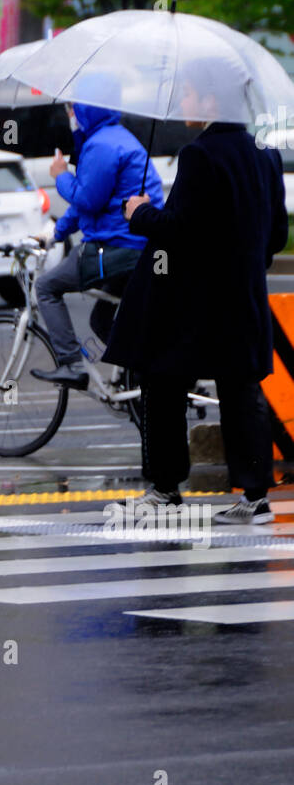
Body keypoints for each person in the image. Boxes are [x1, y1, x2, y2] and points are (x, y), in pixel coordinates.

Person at [104, 117, 288, 523]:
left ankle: (166, 488)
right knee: (241, 388)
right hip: (243, 296)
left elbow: (178, 229)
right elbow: (276, 232)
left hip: (192, 300)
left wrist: (140, 212)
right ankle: (255, 497)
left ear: (208, 99)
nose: (184, 101)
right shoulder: (265, 151)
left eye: (189, 92)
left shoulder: (199, 154)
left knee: (161, 379)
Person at [30, 102, 164, 388]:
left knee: (45, 287)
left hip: (115, 247)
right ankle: (141, 374)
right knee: (101, 320)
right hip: (135, 248)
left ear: (86, 111)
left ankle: (71, 363)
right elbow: (88, 206)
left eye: (72, 109)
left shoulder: (102, 146)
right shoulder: (114, 137)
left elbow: (87, 199)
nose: (69, 116)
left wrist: (61, 175)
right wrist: (55, 234)